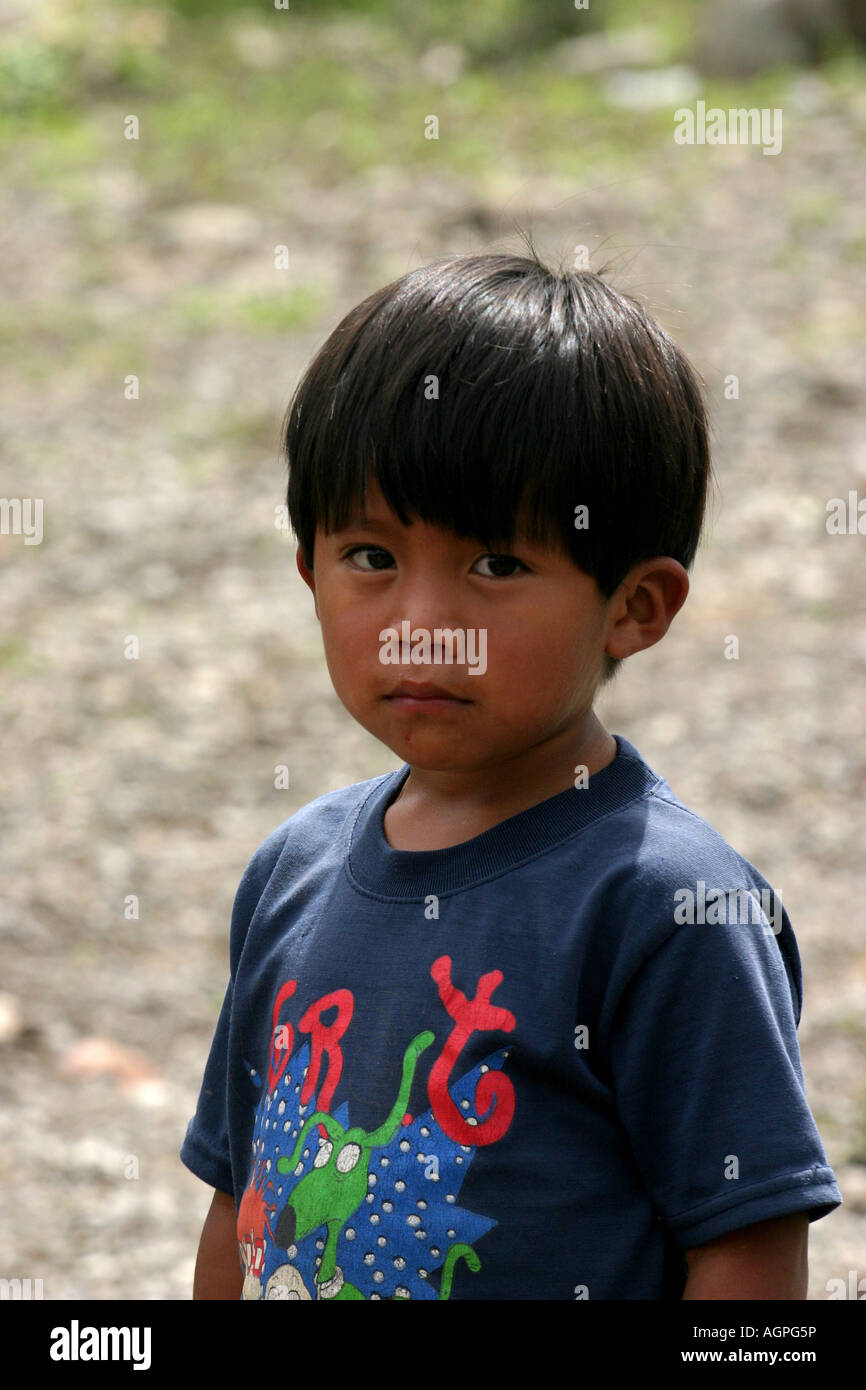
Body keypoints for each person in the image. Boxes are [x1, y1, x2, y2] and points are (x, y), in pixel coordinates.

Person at [180, 248, 842, 1300]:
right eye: (369, 557)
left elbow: (745, 1248)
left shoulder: (668, 907)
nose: (421, 626)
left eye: (495, 565)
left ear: (636, 604)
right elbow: (241, 1195)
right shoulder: (291, 872)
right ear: (307, 569)